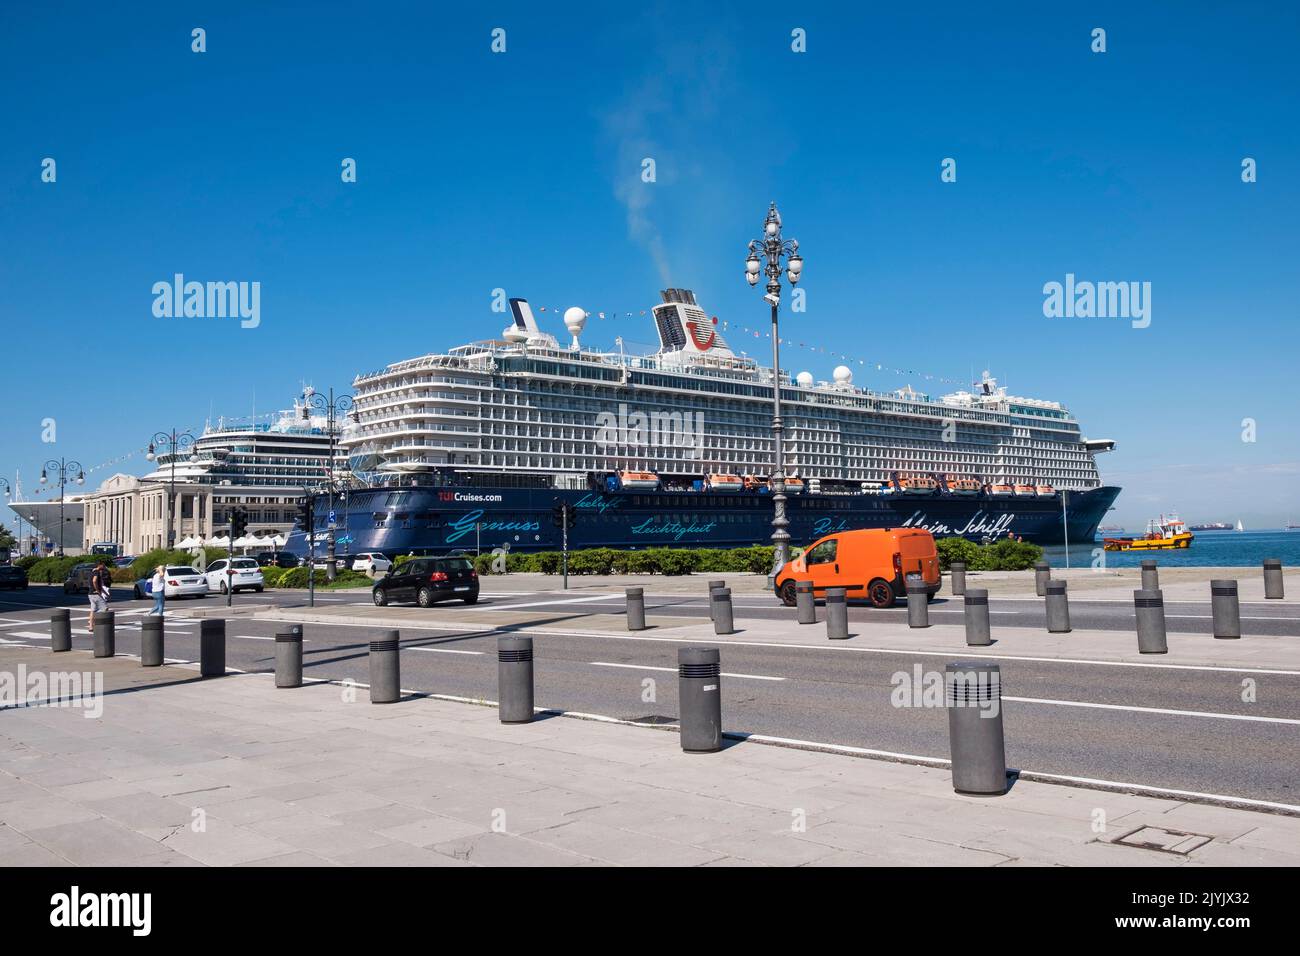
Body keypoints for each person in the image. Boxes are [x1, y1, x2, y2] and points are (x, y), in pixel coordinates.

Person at [88, 560, 112, 633]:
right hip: (95, 594)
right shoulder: (96, 572)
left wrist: (105, 593)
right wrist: (98, 591)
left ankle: (91, 626)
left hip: (90, 594)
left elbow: (100, 585)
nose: (104, 566)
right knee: (105, 608)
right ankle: (101, 624)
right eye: (103, 565)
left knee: (93, 610)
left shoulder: (91, 572)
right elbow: (94, 581)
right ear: (99, 565)